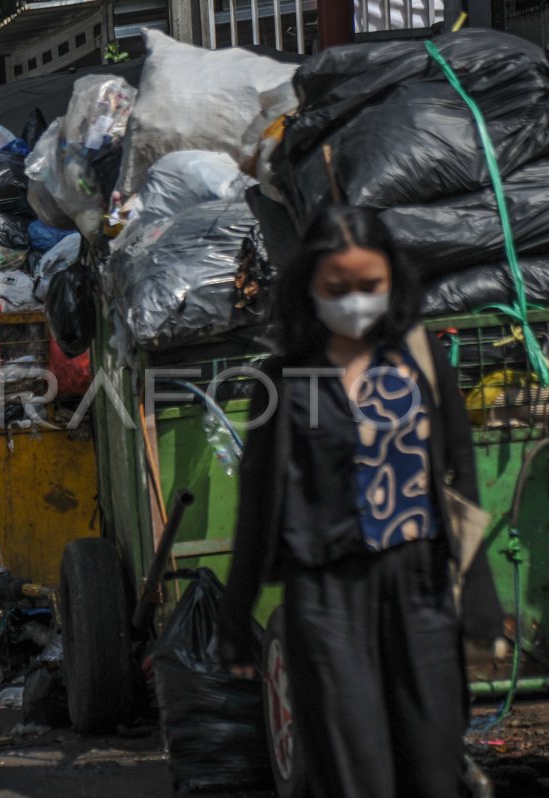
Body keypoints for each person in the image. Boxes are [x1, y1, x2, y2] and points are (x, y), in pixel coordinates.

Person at [221, 206, 503, 798]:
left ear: (392, 282)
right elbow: (257, 501)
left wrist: (478, 600)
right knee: (356, 775)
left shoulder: (421, 361)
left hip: (419, 587)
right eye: (337, 288)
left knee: (432, 767)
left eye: (369, 286)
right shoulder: (283, 379)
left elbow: (462, 482)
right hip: (326, 598)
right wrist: (235, 614)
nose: (355, 300)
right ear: (310, 289)